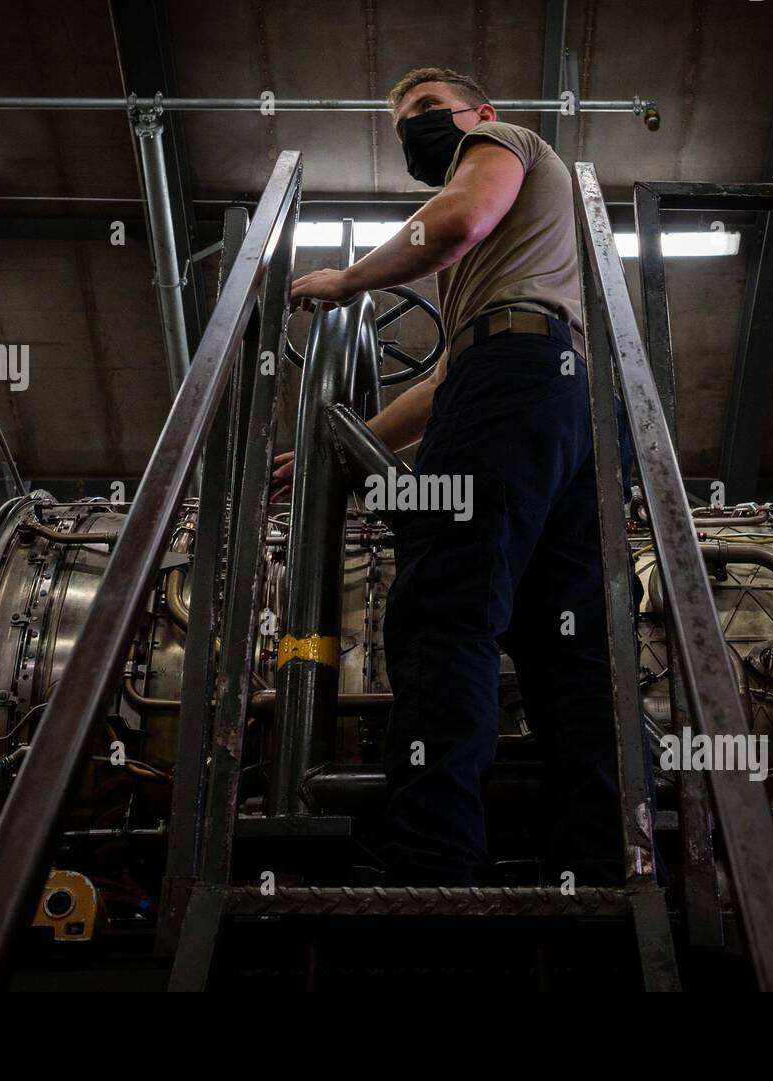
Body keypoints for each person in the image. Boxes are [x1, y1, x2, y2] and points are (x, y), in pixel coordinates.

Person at [279, 67, 639, 886]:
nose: (416, 128)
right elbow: (446, 380)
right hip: (570, 406)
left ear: (482, 113)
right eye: (403, 121)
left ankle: (434, 856)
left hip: (512, 381)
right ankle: (601, 860)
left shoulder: (503, 145)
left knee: (443, 608)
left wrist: (346, 281)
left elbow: (457, 219)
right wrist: (339, 443)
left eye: (428, 110)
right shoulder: (504, 268)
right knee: (564, 642)